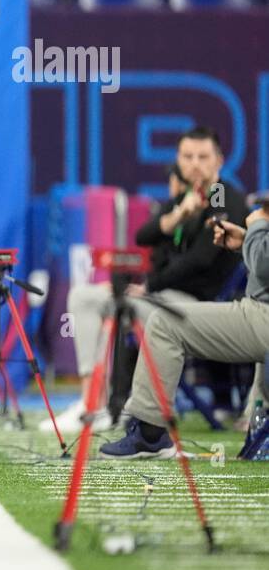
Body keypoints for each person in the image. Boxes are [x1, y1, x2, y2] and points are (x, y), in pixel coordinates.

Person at [44, 127, 249, 432]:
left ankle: (122, 403)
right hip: (160, 297)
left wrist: (149, 286)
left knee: (126, 307)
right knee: (84, 297)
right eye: (187, 156)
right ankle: (92, 401)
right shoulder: (185, 197)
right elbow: (144, 235)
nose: (194, 164)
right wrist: (179, 213)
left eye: (202, 157)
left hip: (198, 305)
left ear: (218, 160)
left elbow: (201, 259)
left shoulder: (220, 196)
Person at [100, 205, 269, 457]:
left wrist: (257, 227)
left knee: (164, 324)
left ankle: (149, 434)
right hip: (257, 309)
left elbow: (263, 265)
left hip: (260, 313)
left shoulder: (225, 196)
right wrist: (248, 239)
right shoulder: (182, 203)